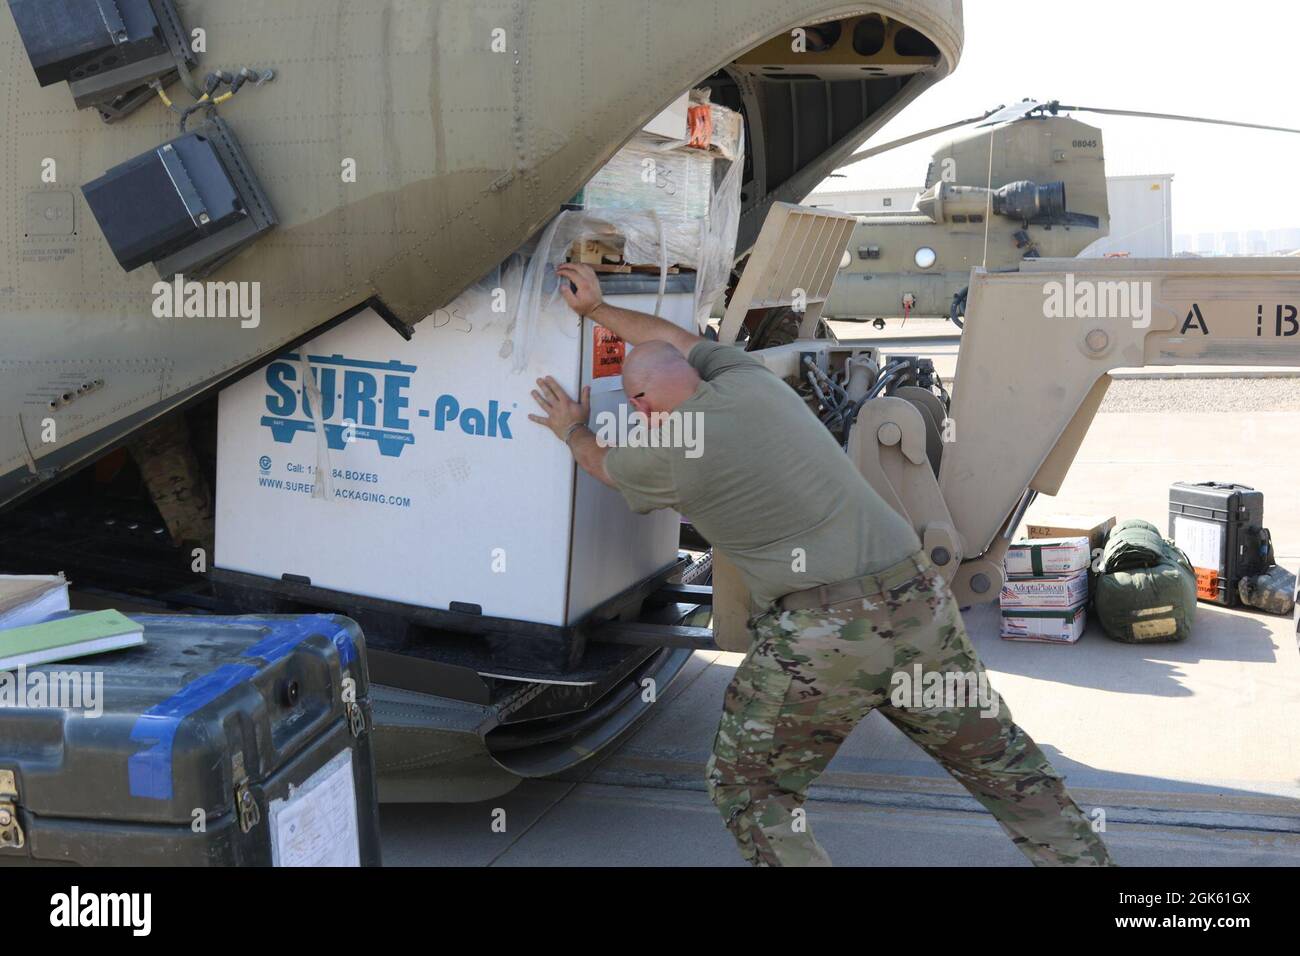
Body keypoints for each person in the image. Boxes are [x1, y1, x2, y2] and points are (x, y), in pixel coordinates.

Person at [528, 261, 1114, 867]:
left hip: (825, 635)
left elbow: (601, 464)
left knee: (750, 790)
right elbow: (677, 344)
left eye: (638, 403)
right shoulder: (747, 381)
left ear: (644, 401)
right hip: (919, 604)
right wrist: (597, 310)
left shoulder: (670, 452)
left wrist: (572, 428)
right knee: (1005, 767)